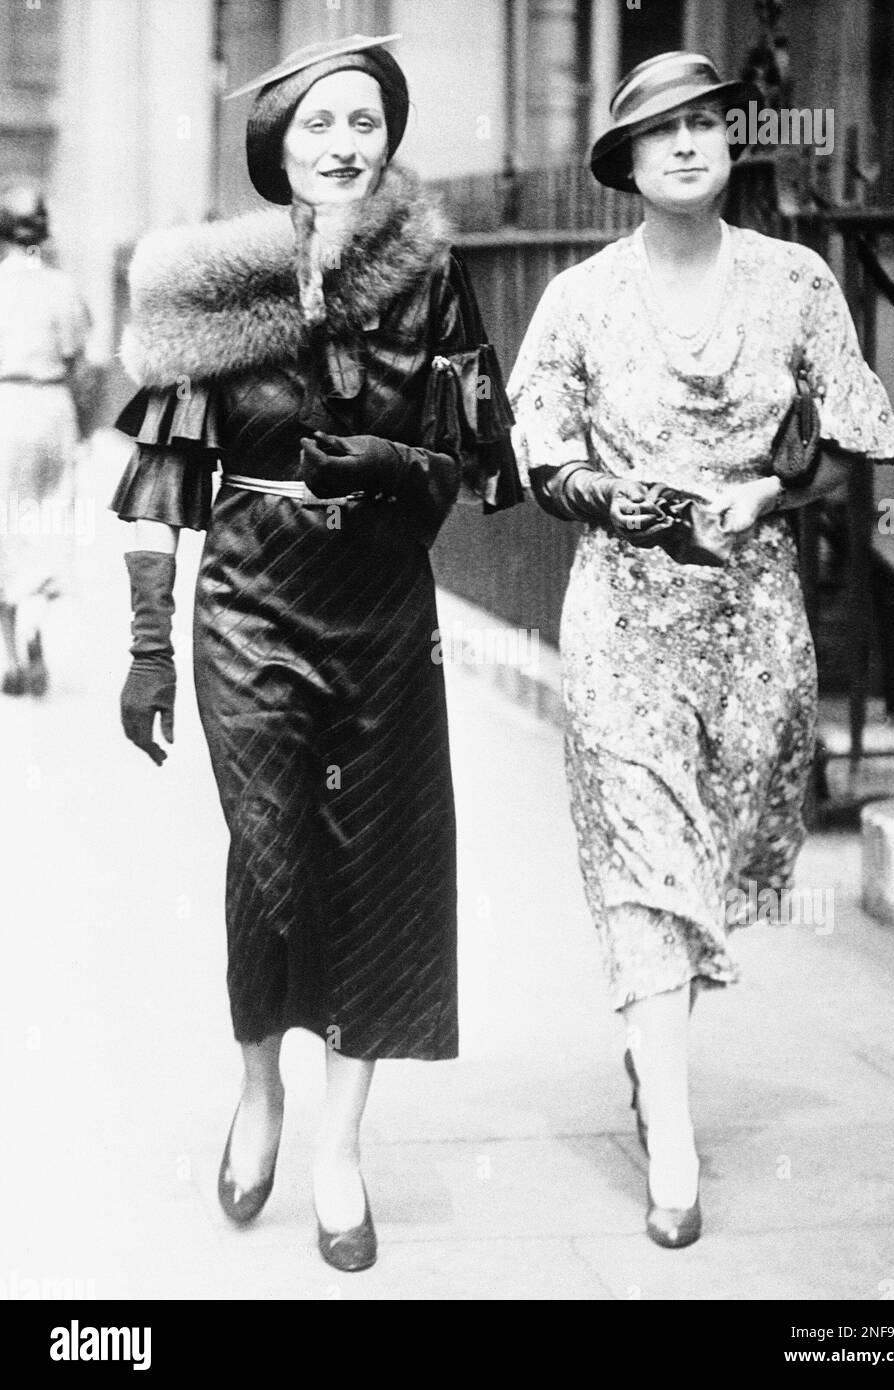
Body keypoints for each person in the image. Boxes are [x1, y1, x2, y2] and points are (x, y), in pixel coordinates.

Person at [111, 32, 519, 1272]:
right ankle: (259, 1089)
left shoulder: (429, 280)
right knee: (270, 847)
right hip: (251, 599)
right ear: (276, 147)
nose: (345, 145)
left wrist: (398, 465)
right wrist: (147, 647)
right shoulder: (210, 287)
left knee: (382, 870)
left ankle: (341, 1141)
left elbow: (484, 464)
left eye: (365, 123)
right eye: (318, 126)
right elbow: (161, 481)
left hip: (384, 607)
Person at [508, 51, 894, 1249]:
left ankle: (652, 1053)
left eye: (707, 127)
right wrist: (600, 495)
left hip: (754, 622)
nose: (686, 146)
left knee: (717, 867)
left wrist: (764, 498)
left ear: (733, 149)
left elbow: (852, 439)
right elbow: (536, 449)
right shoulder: (577, 297)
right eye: (660, 132)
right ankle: (672, 1146)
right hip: (623, 619)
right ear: (623, 163)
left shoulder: (795, 281)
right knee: (646, 869)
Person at [0, 183, 91, 697]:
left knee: (5, 523)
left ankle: (10, 652)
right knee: (51, 519)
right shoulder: (62, 287)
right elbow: (81, 362)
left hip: (5, 407)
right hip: (53, 405)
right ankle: (35, 625)